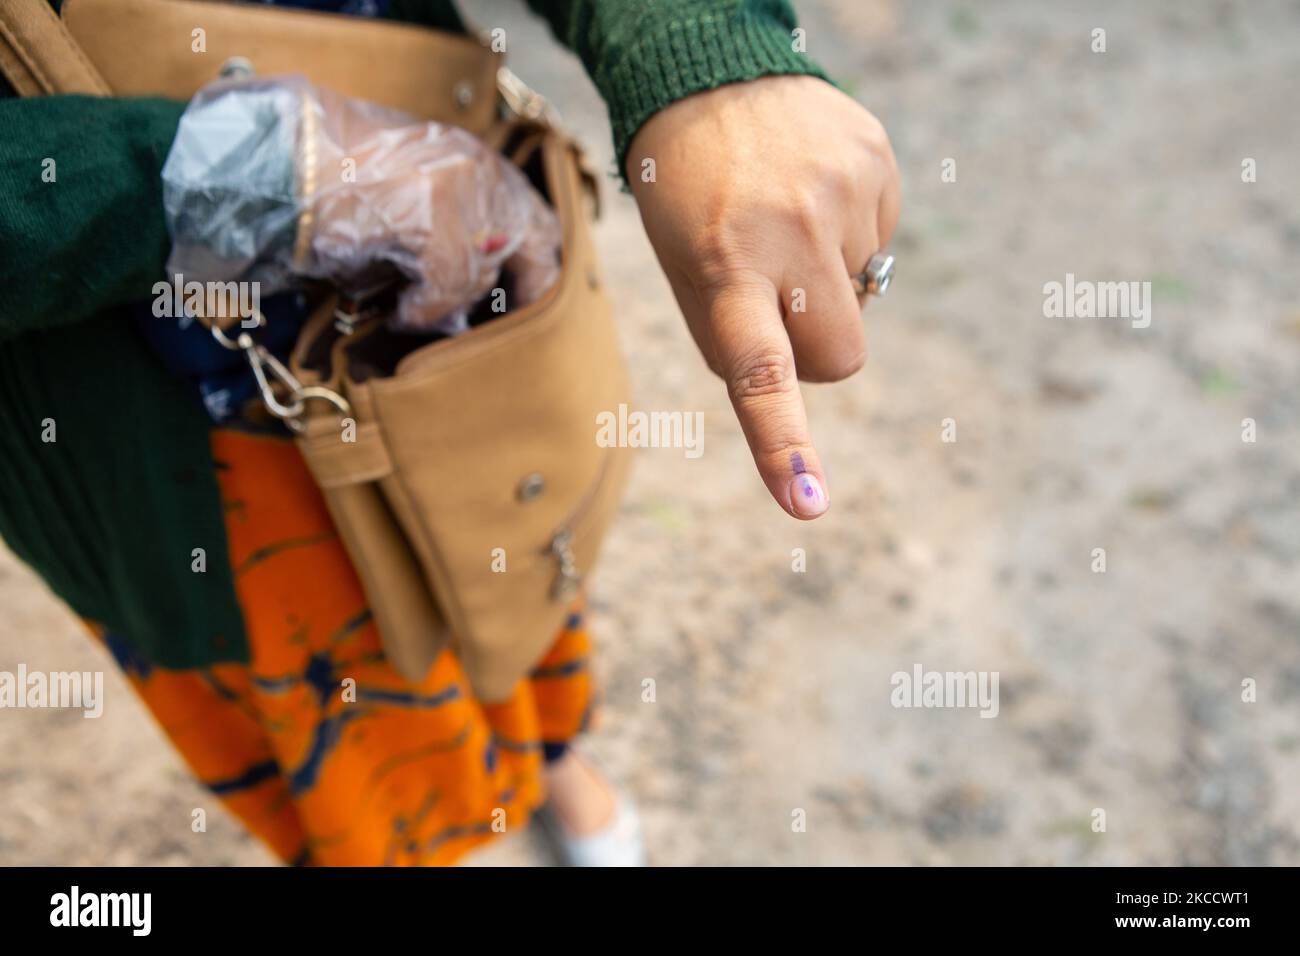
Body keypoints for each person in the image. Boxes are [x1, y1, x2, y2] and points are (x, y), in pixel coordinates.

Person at [0, 0, 899, 866]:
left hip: (455, 239)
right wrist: (262, 176)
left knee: (515, 563)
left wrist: (701, 63)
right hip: (173, 427)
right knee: (362, 747)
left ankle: (546, 762)